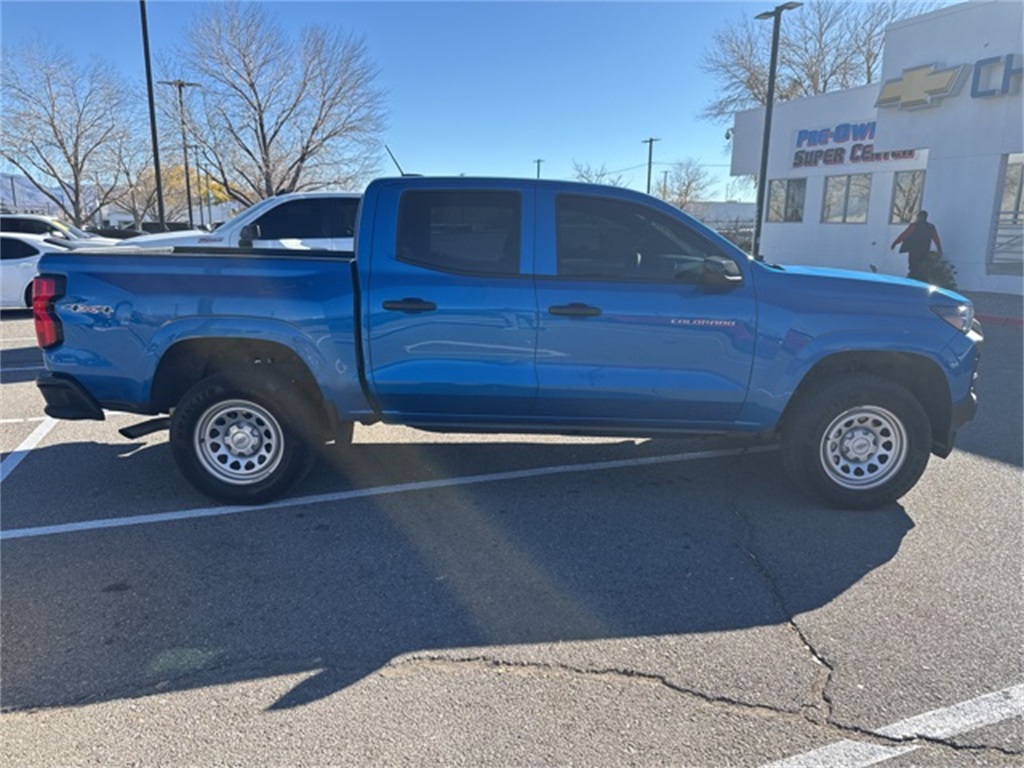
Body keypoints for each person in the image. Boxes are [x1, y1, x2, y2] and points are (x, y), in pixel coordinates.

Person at [891, 210, 943, 281]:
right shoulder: (931, 227)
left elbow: (904, 235)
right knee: (920, 266)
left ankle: (912, 279)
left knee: (913, 266)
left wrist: (895, 243)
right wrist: (939, 249)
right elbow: (936, 238)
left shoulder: (914, 225)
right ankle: (919, 279)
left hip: (914, 250)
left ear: (920, 217)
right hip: (924, 250)